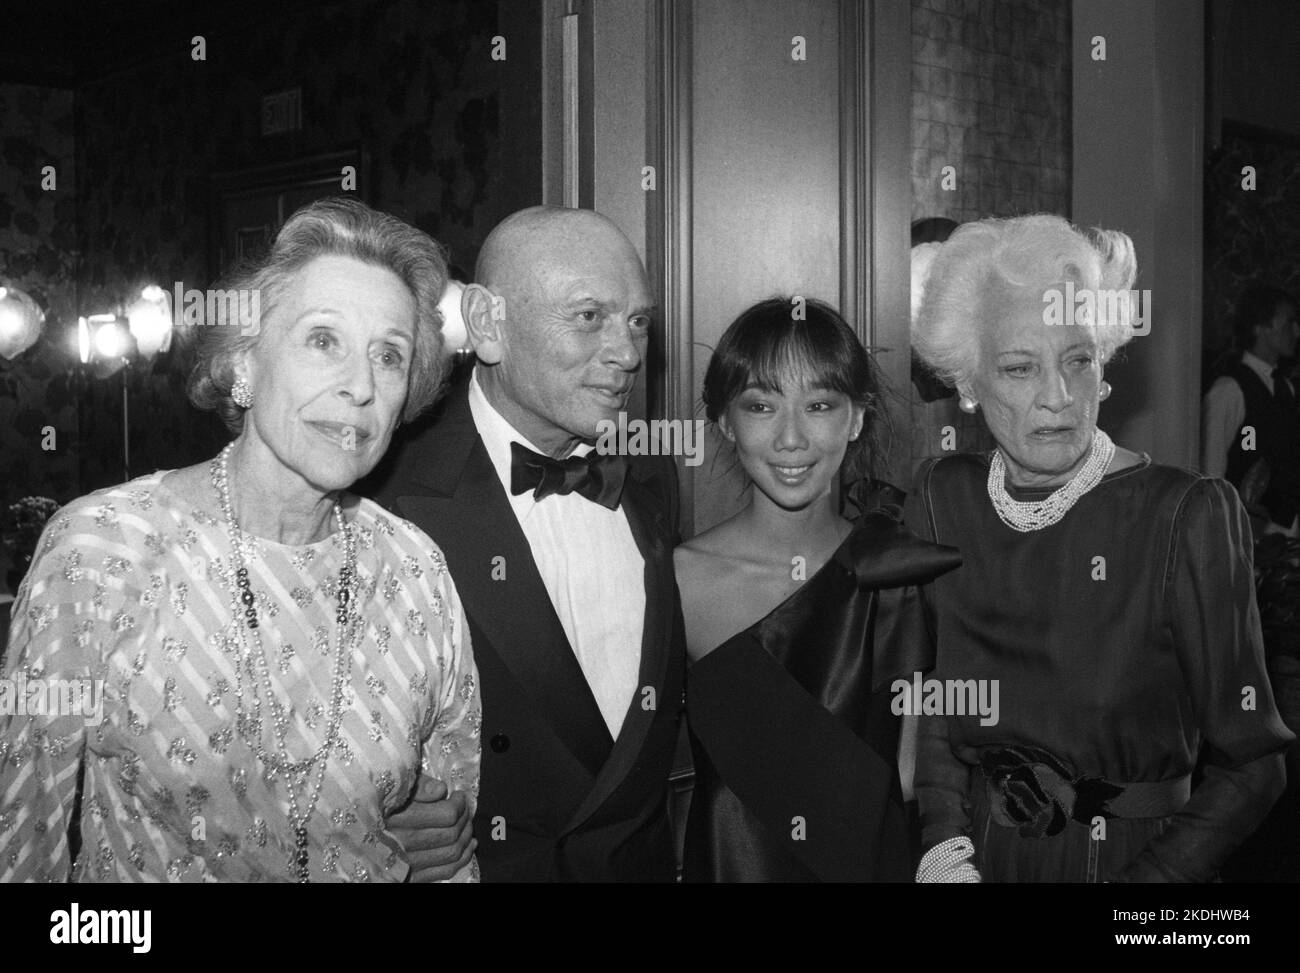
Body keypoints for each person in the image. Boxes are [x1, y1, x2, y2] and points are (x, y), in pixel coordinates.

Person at [0, 197, 480, 882]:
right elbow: (20, 841)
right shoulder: (101, 552)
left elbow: (446, 848)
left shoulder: (415, 572)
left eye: (390, 356)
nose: (360, 386)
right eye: (323, 340)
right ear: (244, 365)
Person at [907, 214, 1293, 883]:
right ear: (968, 384)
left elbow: (1257, 764)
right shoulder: (945, 500)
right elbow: (942, 693)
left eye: (1077, 360)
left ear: (1104, 365)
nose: (1057, 396)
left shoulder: (1186, 515)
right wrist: (944, 843)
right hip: (986, 858)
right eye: (1020, 367)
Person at [365, 206, 685, 882]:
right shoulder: (386, 501)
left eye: (637, 321)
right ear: (487, 324)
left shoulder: (649, 476)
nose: (628, 353)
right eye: (589, 316)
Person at [674, 297, 961, 882]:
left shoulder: (895, 574)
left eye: (820, 405)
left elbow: (911, 782)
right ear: (724, 421)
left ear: (856, 418)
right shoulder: (674, 579)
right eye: (760, 406)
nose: (790, 439)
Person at [1200, 284, 1300, 533]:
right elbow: (1212, 471)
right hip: (1248, 534)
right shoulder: (1229, 389)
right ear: (1261, 327)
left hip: (1286, 530)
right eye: (1289, 322)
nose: (1296, 331)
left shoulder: (1285, 387)